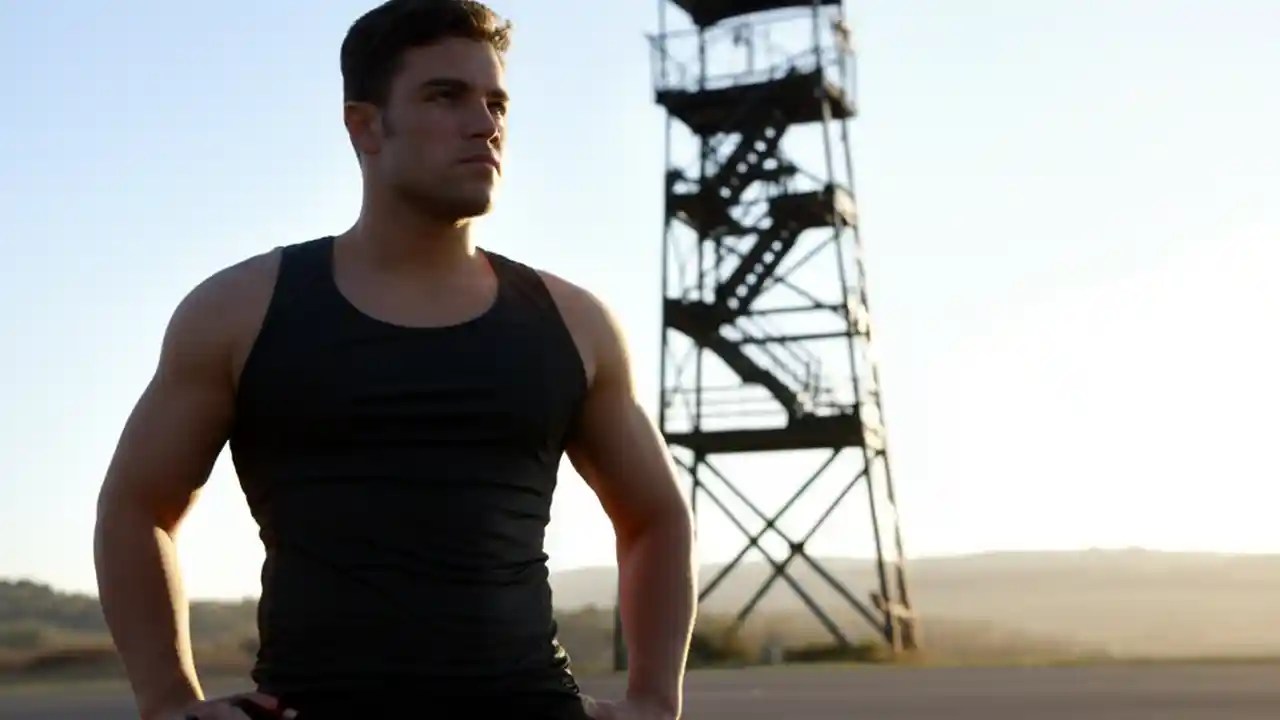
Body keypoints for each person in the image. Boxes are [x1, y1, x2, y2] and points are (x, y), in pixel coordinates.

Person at [91, 1, 696, 718]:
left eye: (496, 102)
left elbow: (655, 516)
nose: (485, 124)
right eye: (446, 96)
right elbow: (136, 507)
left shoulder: (573, 322)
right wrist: (167, 701)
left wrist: (655, 700)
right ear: (365, 126)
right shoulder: (238, 310)